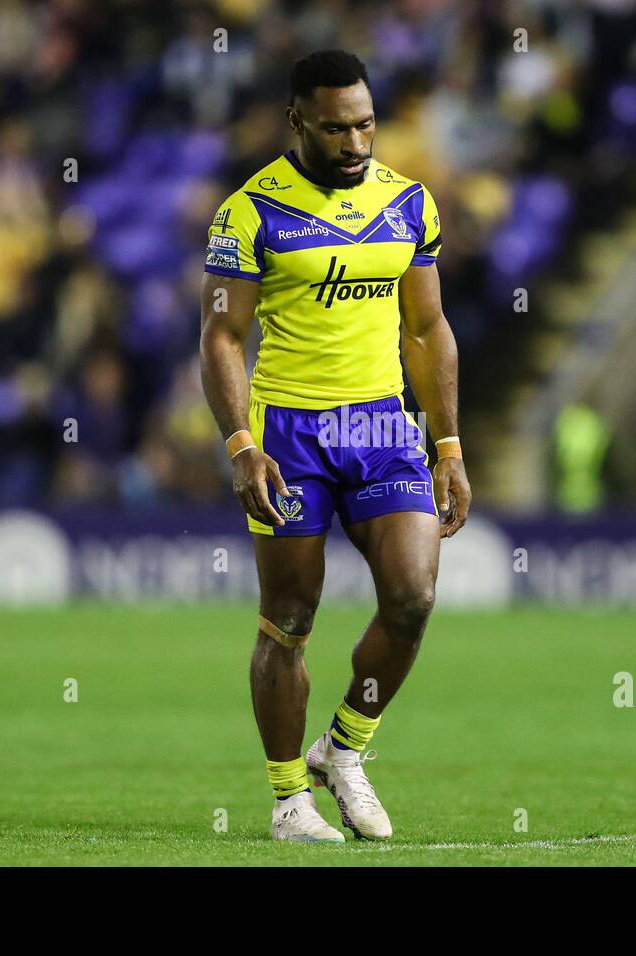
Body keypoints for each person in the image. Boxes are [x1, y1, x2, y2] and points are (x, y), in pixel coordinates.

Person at [199, 50, 470, 842]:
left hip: (385, 430)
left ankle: (344, 749)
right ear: (296, 121)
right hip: (291, 435)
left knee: (413, 598)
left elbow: (426, 328)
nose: (355, 143)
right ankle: (289, 802)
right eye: (335, 128)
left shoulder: (409, 203)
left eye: (366, 124)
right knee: (289, 616)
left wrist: (447, 442)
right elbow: (221, 335)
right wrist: (242, 442)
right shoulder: (249, 213)